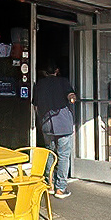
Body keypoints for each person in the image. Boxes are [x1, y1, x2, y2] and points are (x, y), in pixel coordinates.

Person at [32, 60, 76, 198]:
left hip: (46, 125)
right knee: (63, 156)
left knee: (50, 153)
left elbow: (35, 105)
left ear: (45, 72)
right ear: (56, 71)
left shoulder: (39, 84)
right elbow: (70, 96)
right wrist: (72, 98)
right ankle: (60, 188)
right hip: (63, 125)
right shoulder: (63, 82)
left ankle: (49, 183)